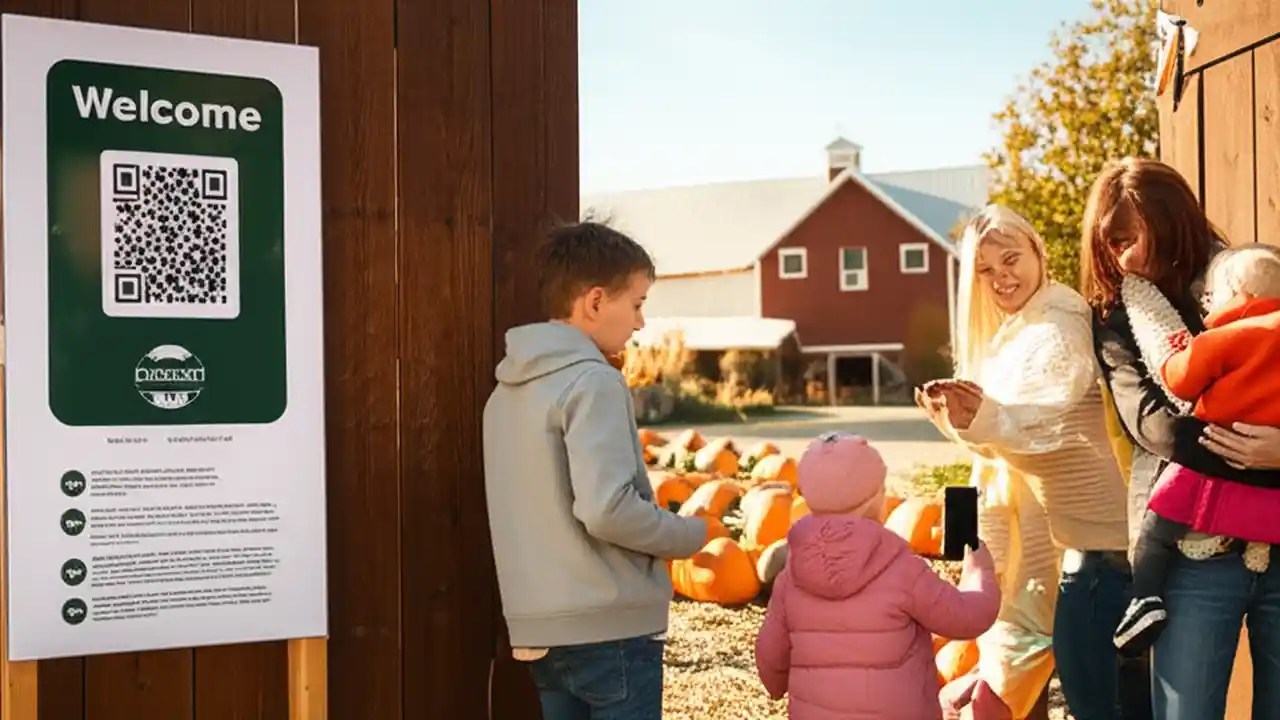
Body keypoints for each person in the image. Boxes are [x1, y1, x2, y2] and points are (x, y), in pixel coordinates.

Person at [918, 204, 1148, 719]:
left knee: (1075, 692)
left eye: (1011, 259)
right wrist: (963, 536)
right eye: (986, 270)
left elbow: (1043, 414)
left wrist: (977, 420)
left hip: (1081, 544)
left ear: (1038, 252)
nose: (1001, 277)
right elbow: (987, 458)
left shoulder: (1059, 320)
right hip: (1026, 544)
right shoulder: (1010, 333)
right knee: (1027, 683)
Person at [482, 222, 711, 720]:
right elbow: (607, 509)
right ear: (595, 301)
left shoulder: (505, 394)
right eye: (637, 304)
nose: (640, 323)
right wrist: (689, 534)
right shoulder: (593, 382)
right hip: (610, 632)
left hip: (541, 633)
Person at [1083, 157, 1280, 718]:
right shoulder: (1120, 315)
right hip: (1192, 552)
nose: (1126, 258)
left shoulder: (1252, 278)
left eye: (1136, 238)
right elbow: (1158, 427)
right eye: (1115, 243)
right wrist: (1261, 455)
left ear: (1175, 223)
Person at [754, 432, 1000, 720]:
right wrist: (979, 570)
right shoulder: (901, 569)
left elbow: (770, 654)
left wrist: (776, 684)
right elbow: (965, 618)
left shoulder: (791, 579)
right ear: (876, 501)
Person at [1115, 245, 1280, 656]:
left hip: (1209, 459)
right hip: (1272, 464)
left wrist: (1175, 348)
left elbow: (1180, 379)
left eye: (1211, 294)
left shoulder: (1224, 336)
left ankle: (1144, 599)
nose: (1205, 303)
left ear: (1239, 295)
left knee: (1157, 527)